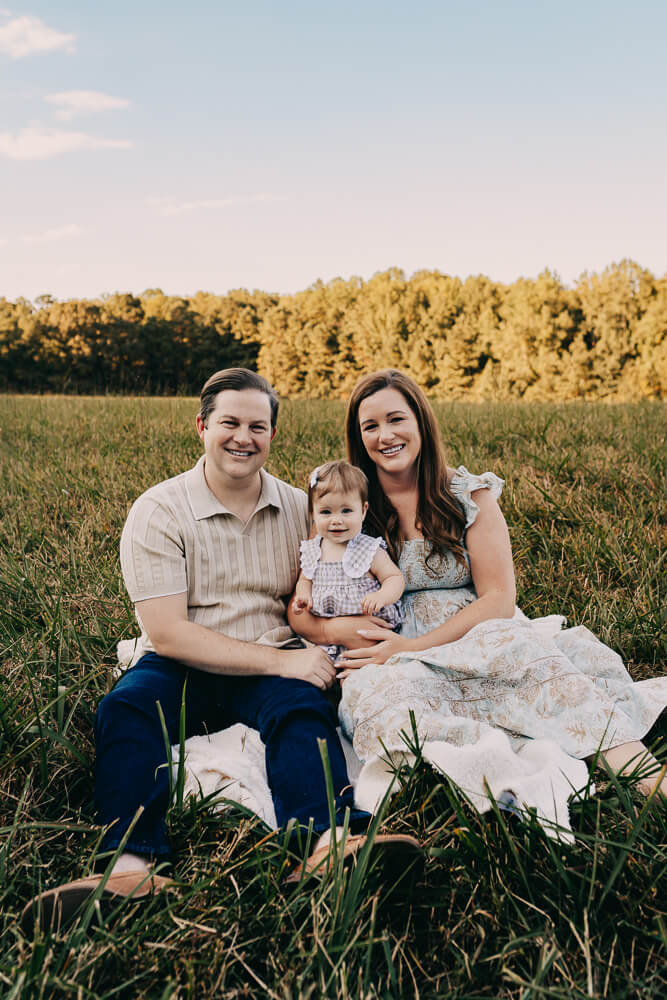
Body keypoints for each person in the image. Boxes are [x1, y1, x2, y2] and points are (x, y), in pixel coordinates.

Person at [22, 368, 420, 933]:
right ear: (203, 426)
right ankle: (132, 867)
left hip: (272, 653)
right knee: (126, 709)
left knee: (301, 709)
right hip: (185, 662)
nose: (243, 437)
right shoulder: (159, 510)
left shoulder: (297, 510)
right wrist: (284, 661)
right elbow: (167, 634)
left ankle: (327, 844)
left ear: (273, 436)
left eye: (258, 426)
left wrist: (334, 639)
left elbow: (329, 587)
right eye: (229, 422)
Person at [289, 369, 667, 799]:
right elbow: (308, 590)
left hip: (474, 627)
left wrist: (414, 646)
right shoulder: (349, 506)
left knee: (537, 670)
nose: (385, 435)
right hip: (388, 643)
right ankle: (487, 774)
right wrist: (330, 632)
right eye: (370, 426)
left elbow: (499, 598)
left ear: (420, 422)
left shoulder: (467, 494)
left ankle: (647, 778)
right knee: (383, 702)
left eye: (396, 419)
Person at [292, 460, 404, 663]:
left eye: (346, 511)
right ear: (313, 514)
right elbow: (305, 580)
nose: (336, 520)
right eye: (326, 512)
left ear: (363, 510)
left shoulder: (368, 549)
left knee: (358, 674)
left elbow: (394, 578)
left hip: (369, 635)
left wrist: (382, 596)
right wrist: (304, 596)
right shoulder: (312, 550)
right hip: (327, 637)